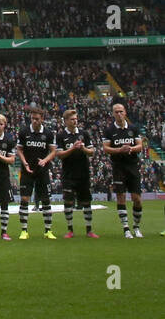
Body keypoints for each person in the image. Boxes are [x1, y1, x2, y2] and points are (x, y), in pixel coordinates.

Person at [102, 101, 145, 238]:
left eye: (121, 111)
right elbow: (106, 148)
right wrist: (120, 149)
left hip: (133, 166)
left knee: (136, 198)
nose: (119, 114)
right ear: (113, 114)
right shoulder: (109, 130)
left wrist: (131, 149)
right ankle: (126, 228)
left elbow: (140, 146)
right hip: (118, 167)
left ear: (125, 112)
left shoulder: (134, 128)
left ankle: (136, 227)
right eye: (116, 112)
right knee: (121, 197)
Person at [55, 108, 97, 238]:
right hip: (68, 174)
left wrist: (83, 147)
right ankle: (70, 230)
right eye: (72, 119)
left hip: (83, 173)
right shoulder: (61, 135)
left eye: (76, 119)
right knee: (68, 201)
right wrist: (73, 148)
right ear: (66, 121)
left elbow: (92, 152)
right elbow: (59, 155)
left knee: (86, 201)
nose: (75, 121)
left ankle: (89, 230)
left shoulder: (84, 134)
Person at [16, 107, 56, 240]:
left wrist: (45, 161)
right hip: (27, 170)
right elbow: (19, 150)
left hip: (42, 171)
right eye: (32, 118)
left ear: (42, 119)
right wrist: (25, 163)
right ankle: (24, 230)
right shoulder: (24, 131)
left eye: (37, 119)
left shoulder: (49, 133)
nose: (34, 121)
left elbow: (53, 151)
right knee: (25, 199)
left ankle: (48, 230)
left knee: (45, 199)